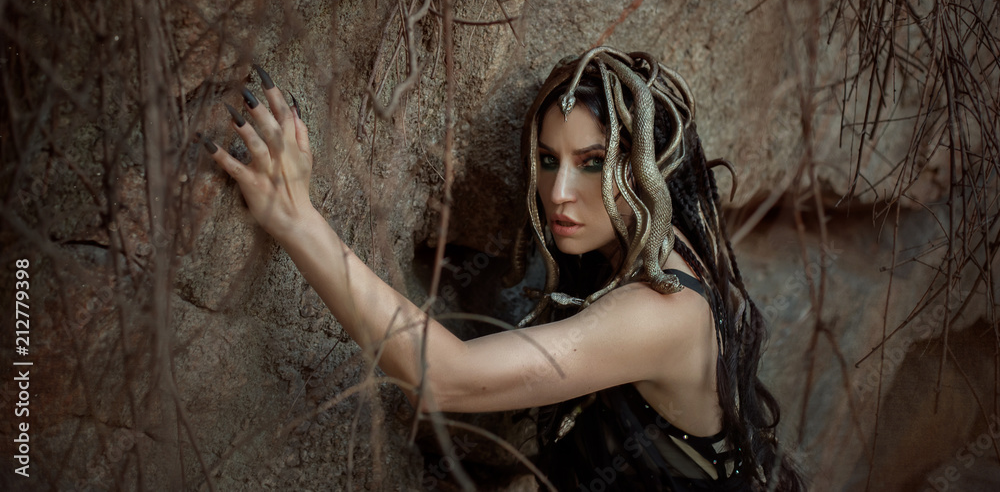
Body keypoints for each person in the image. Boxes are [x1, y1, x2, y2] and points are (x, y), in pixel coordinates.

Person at [204, 48, 803, 491]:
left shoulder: (658, 311)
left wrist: (295, 219)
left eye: (592, 163)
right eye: (547, 160)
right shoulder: (671, 245)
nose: (559, 191)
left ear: (651, 167)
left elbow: (446, 376)